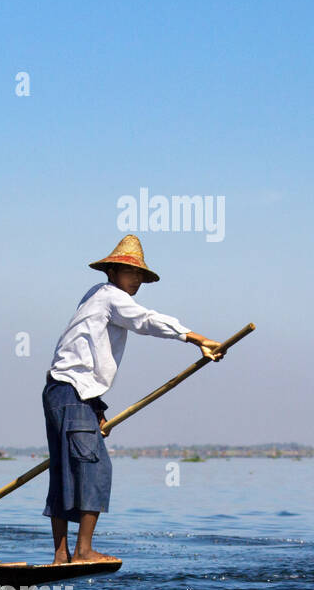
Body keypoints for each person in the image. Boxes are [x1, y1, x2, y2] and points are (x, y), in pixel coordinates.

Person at [44, 235, 222, 564]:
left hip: (64, 391)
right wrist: (197, 339)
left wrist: (95, 407)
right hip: (70, 391)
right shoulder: (110, 296)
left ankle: (60, 556)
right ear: (112, 270)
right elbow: (147, 320)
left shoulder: (94, 297)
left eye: (140, 275)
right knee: (94, 469)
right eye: (131, 273)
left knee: (65, 470)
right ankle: (82, 552)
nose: (137, 280)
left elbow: (83, 355)